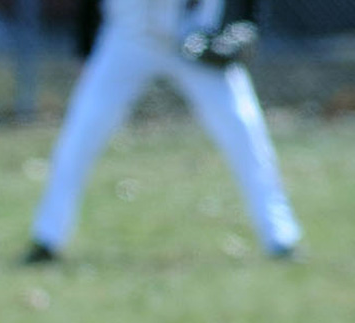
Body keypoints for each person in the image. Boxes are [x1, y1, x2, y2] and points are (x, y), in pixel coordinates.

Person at [22, 0, 303, 263]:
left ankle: (281, 236)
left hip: (192, 35)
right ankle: (48, 237)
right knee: (80, 133)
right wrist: (84, 48)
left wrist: (243, 23)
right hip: (128, 37)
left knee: (244, 130)